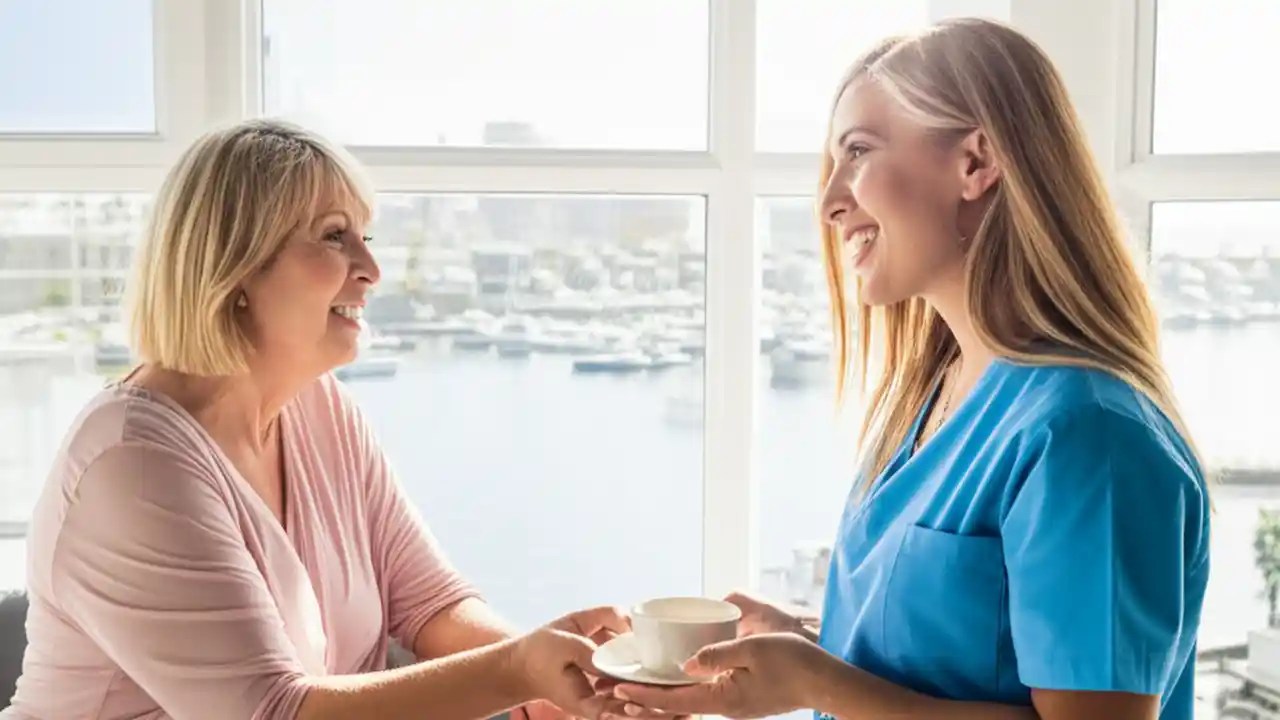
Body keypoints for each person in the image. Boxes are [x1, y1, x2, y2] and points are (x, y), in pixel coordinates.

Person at [615, 17, 1210, 720]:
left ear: (975, 164)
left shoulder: (1089, 439)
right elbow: (961, 658)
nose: (831, 202)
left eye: (858, 152)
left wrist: (817, 683)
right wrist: (811, 641)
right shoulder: (939, 395)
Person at [4, 120, 651, 720]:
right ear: (234, 267)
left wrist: (560, 686)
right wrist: (519, 672)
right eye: (334, 236)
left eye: (364, 238)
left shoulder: (321, 408)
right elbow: (273, 713)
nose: (370, 270)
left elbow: (428, 603)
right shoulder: (134, 465)